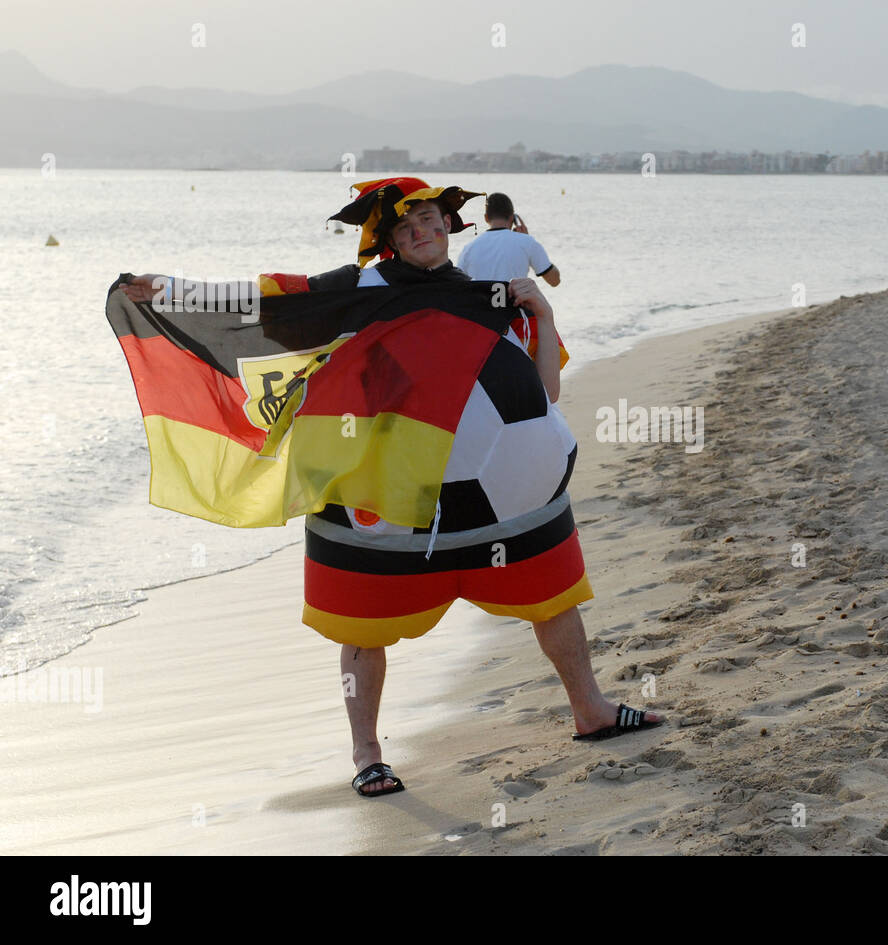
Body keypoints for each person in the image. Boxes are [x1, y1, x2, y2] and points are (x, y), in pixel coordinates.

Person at [120, 178, 662, 799]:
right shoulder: (359, 291)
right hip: (386, 507)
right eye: (407, 228)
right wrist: (167, 290)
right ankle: (367, 754)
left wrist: (543, 311)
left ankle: (590, 709)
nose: (422, 233)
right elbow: (264, 301)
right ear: (388, 241)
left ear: (450, 224)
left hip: (508, 505)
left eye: (430, 221)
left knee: (554, 601)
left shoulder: (485, 296)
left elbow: (548, 393)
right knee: (364, 630)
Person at [458, 192, 561, 286]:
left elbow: (457, 286)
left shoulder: (468, 249)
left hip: (480, 305)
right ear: (512, 217)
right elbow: (554, 281)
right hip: (514, 305)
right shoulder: (527, 242)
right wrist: (526, 239)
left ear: (486, 218)